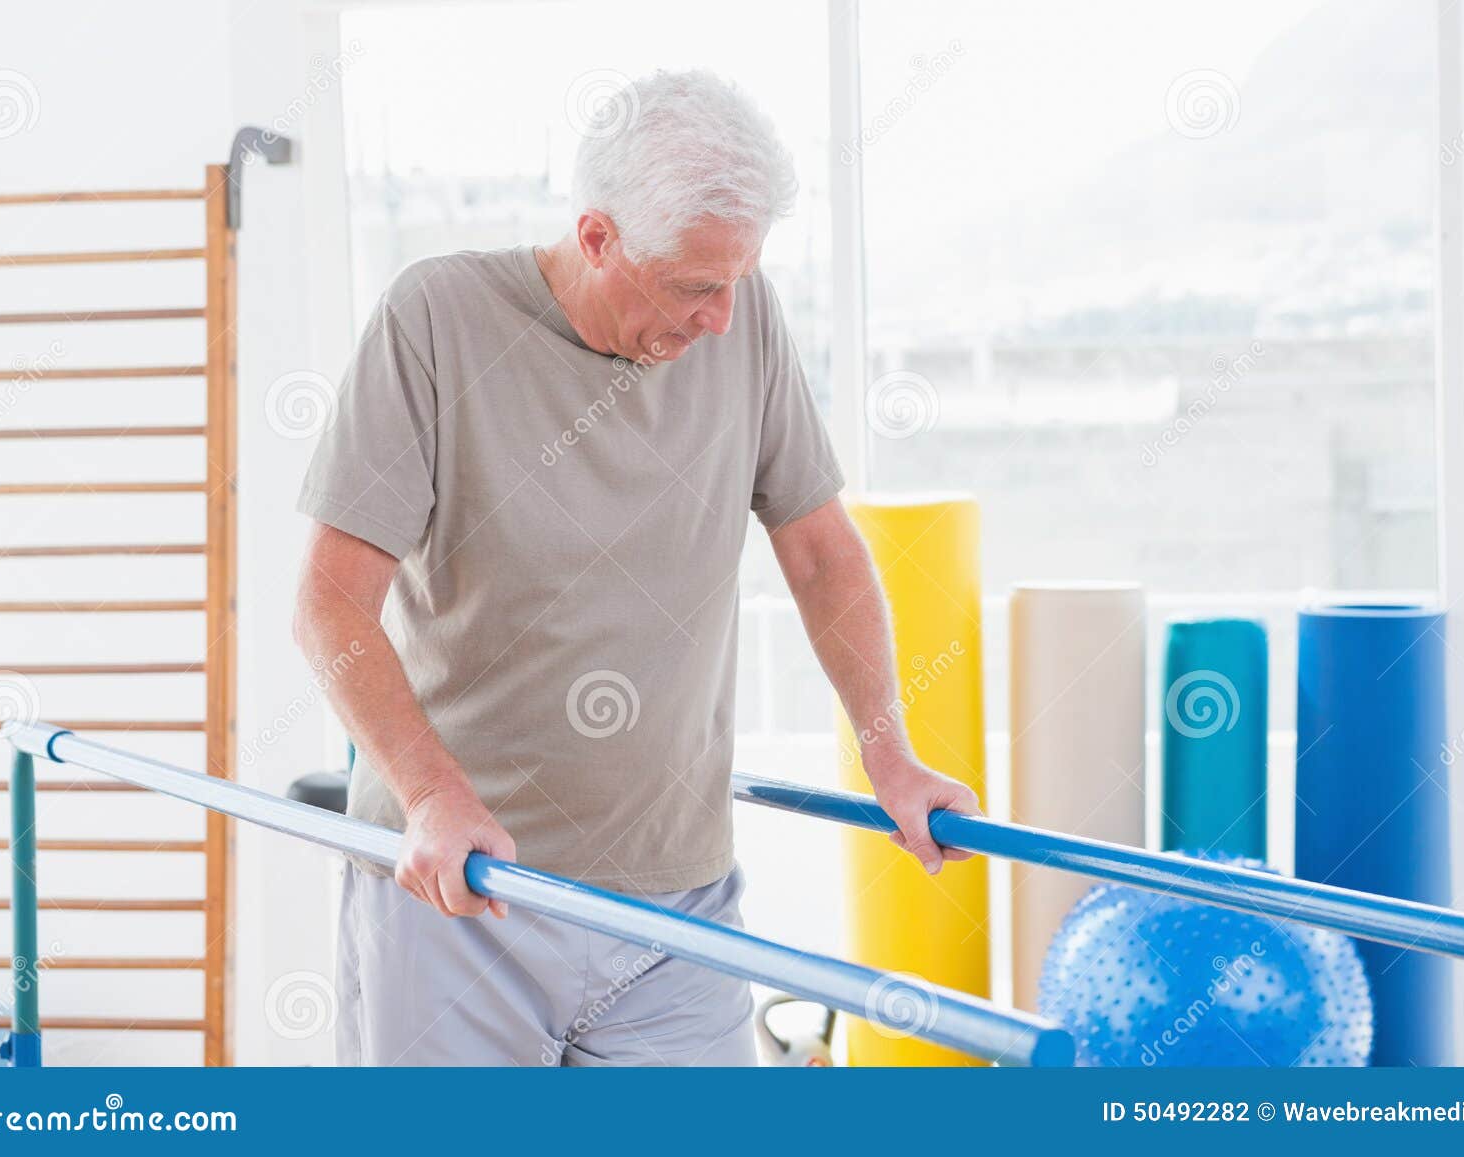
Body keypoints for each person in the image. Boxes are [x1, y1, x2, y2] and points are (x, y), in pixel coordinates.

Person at [293, 68, 978, 1067]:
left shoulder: (745, 324)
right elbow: (327, 602)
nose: (721, 320)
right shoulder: (437, 318)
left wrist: (890, 753)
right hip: (465, 889)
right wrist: (432, 792)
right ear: (598, 238)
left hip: (676, 906)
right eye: (695, 286)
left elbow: (824, 555)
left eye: (736, 281)